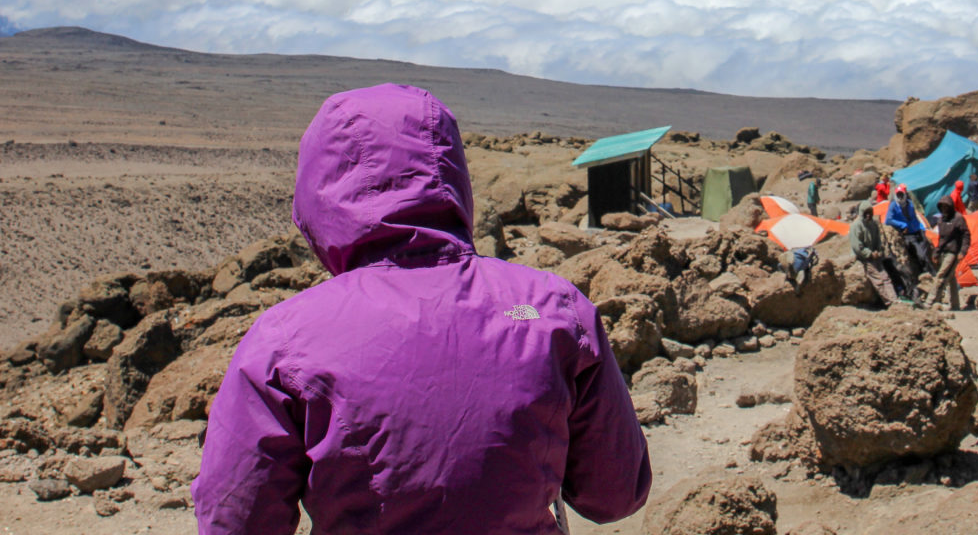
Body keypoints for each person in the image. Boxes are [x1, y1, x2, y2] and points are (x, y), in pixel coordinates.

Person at [193, 84, 649, 534]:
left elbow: (235, 520)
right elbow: (615, 494)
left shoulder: (283, 340)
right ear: (451, 173)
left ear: (318, 194)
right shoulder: (554, 307)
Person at [885, 185, 932, 306]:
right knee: (917, 255)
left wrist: (921, 228)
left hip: (916, 231)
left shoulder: (909, 204)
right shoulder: (894, 205)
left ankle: (928, 273)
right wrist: (902, 225)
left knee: (924, 252)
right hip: (907, 234)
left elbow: (914, 218)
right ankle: (922, 275)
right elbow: (888, 220)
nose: (900, 197)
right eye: (898, 195)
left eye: (902, 194)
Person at [849, 201, 901, 306]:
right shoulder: (856, 226)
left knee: (886, 278)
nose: (868, 215)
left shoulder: (873, 224)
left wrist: (878, 251)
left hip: (875, 256)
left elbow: (878, 240)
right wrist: (869, 254)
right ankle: (889, 302)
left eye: (870, 213)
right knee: (878, 280)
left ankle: (894, 299)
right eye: (866, 213)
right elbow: (857, 246)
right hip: (864, 258)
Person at [930, 200, 971, 311]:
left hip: (954, 252)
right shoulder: (941, 220)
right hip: (944, 251)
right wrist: (936, 252)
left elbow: (966, 236)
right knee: (951, 279)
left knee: (941, 275)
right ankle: (955, 304)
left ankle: (930, 301)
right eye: (942, 207)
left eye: (946, 207)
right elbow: (941, 239)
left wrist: (963, 251)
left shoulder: (958, 218)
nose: (944, 209)